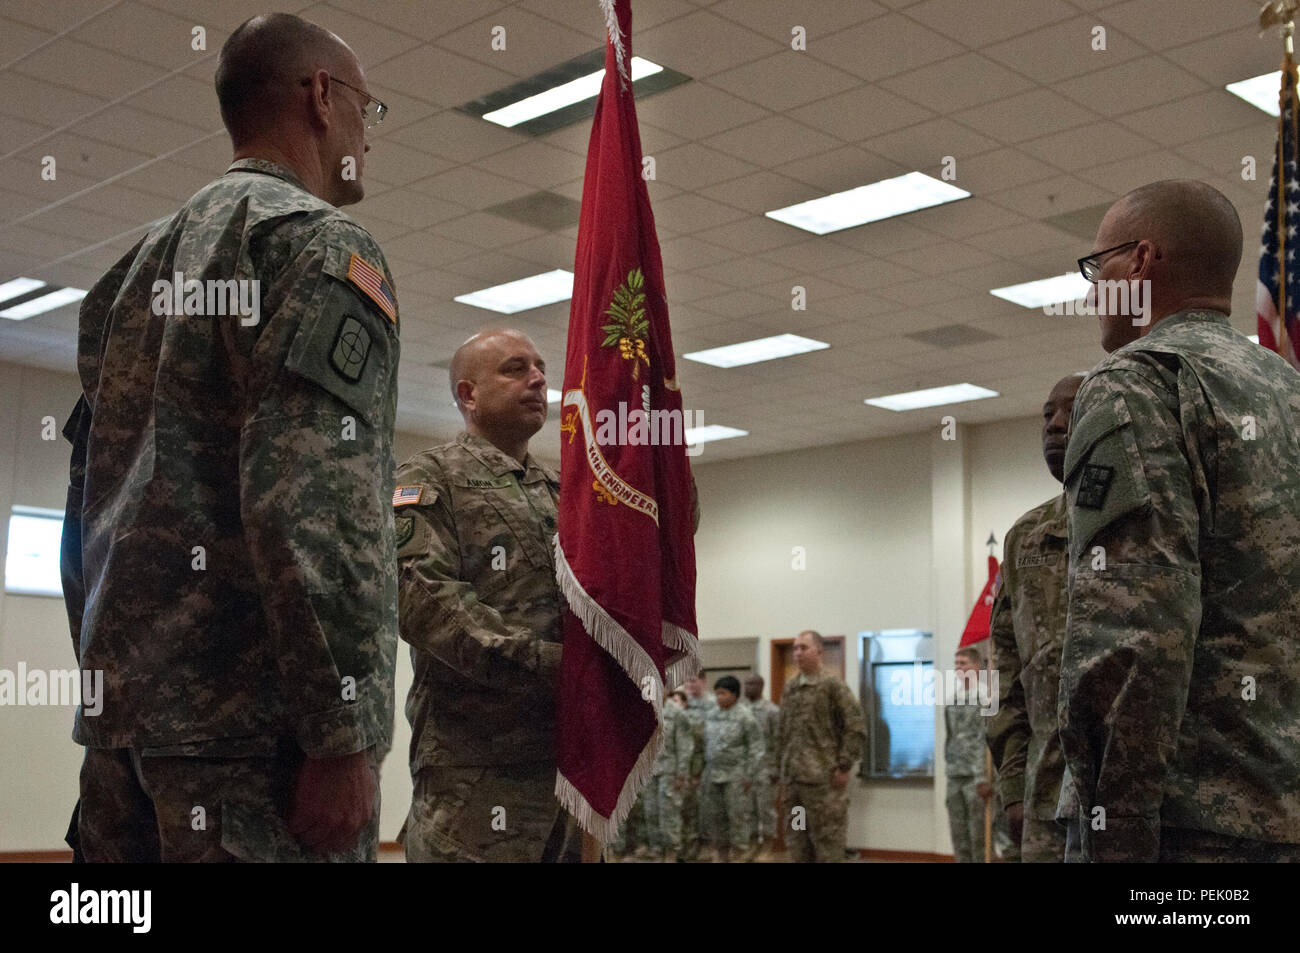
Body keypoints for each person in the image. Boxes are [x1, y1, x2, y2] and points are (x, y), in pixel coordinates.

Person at [59, 13, 399, 862]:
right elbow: (310, 504)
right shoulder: (316, 245)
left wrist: (113, 677)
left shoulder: (130, 272)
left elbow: (84, 505)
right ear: (322, 96)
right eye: (368, 106)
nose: (370, 131)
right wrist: (342, 731)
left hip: (124, 740)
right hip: (254, 751)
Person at [1059, 179, 1300, 862]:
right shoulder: (1290, 389)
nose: (1088, 292)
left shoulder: (1138, 382)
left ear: (1140, 261)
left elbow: (1135, 633)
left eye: (1095, 266)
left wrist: (1116, 830)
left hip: (1185, 827)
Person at [395, 328, 582, 863]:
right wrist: (557, 666)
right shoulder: (430, 478)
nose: (538, 378)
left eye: (541, 367)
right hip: (476, 769)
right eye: (514, 368)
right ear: (468, 394)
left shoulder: (562, 488)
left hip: (568, 764)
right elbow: (425, 601)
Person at [985, 373, 1083, 863]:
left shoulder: (1157, 519)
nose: (1056, 426)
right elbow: (1003, 672)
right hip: (1046, 792)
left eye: (1072, 411)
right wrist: (1014, 785)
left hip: (1146, 795)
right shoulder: (1026, 537)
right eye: (1048, 414)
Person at [776, 630, 865, 862]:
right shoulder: (790, 688)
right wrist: (780, 770)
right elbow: (782, 732)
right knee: (797, 838)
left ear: (819, 651)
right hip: (794, 784)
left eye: (803, 648)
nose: (797, 653)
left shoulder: (832, 686)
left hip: (824, 784)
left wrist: (844, 766)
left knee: (828, 843)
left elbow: (855, 727)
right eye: (795, 648)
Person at [703, 676, 764, 862]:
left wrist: (749, 775)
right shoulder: (712, 714)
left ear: (735, 695)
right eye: (717, 693)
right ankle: (722, 856)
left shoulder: (745, 716)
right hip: (713, 775)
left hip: (736, 776)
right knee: (716, 818)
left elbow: (756, 748)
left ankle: (739, 855)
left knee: (738, 818)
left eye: (723, 693)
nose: (719, 697)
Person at [944, 648, 992, 863]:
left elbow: (987, 740)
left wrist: (983, 777)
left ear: (977, 667)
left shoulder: (986, 699)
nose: (959, 668)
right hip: (955, 774)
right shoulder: (953, 699)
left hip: (976, 777)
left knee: (979, 837)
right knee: (959, 836)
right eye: (957, 664)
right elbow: (951, 736)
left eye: (964, 663)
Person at [645, 690, 692, 862]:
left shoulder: (677, 713)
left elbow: (685, 746)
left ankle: (672, 852)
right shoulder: (645, 710)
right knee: (651, 812)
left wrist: (681, 774)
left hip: (670, 771)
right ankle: (657, 851)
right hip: (650, 771)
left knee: (669, 814)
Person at [678, 671, 716, 860]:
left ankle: (705, 848)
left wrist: (699, 772)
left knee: (704, 811)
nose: (690, 686)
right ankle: (686, 849)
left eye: (693, 681)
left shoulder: (713, 705)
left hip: (707, 767)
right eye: (686, 682)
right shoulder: (680, 704)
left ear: (703, 682)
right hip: (683, 767)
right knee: (685, 810)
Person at [742, 673, 779, 853]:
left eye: (751, 684)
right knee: (748, 810)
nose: (747, 687)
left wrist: (776, 769)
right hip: (746, 769)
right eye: (746, 684)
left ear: (760, 686)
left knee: (766, 810)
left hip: (766, 768)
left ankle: (768, 846)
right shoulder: (742, 710)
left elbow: (779, 741)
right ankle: (752, 844)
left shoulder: (771, 711)